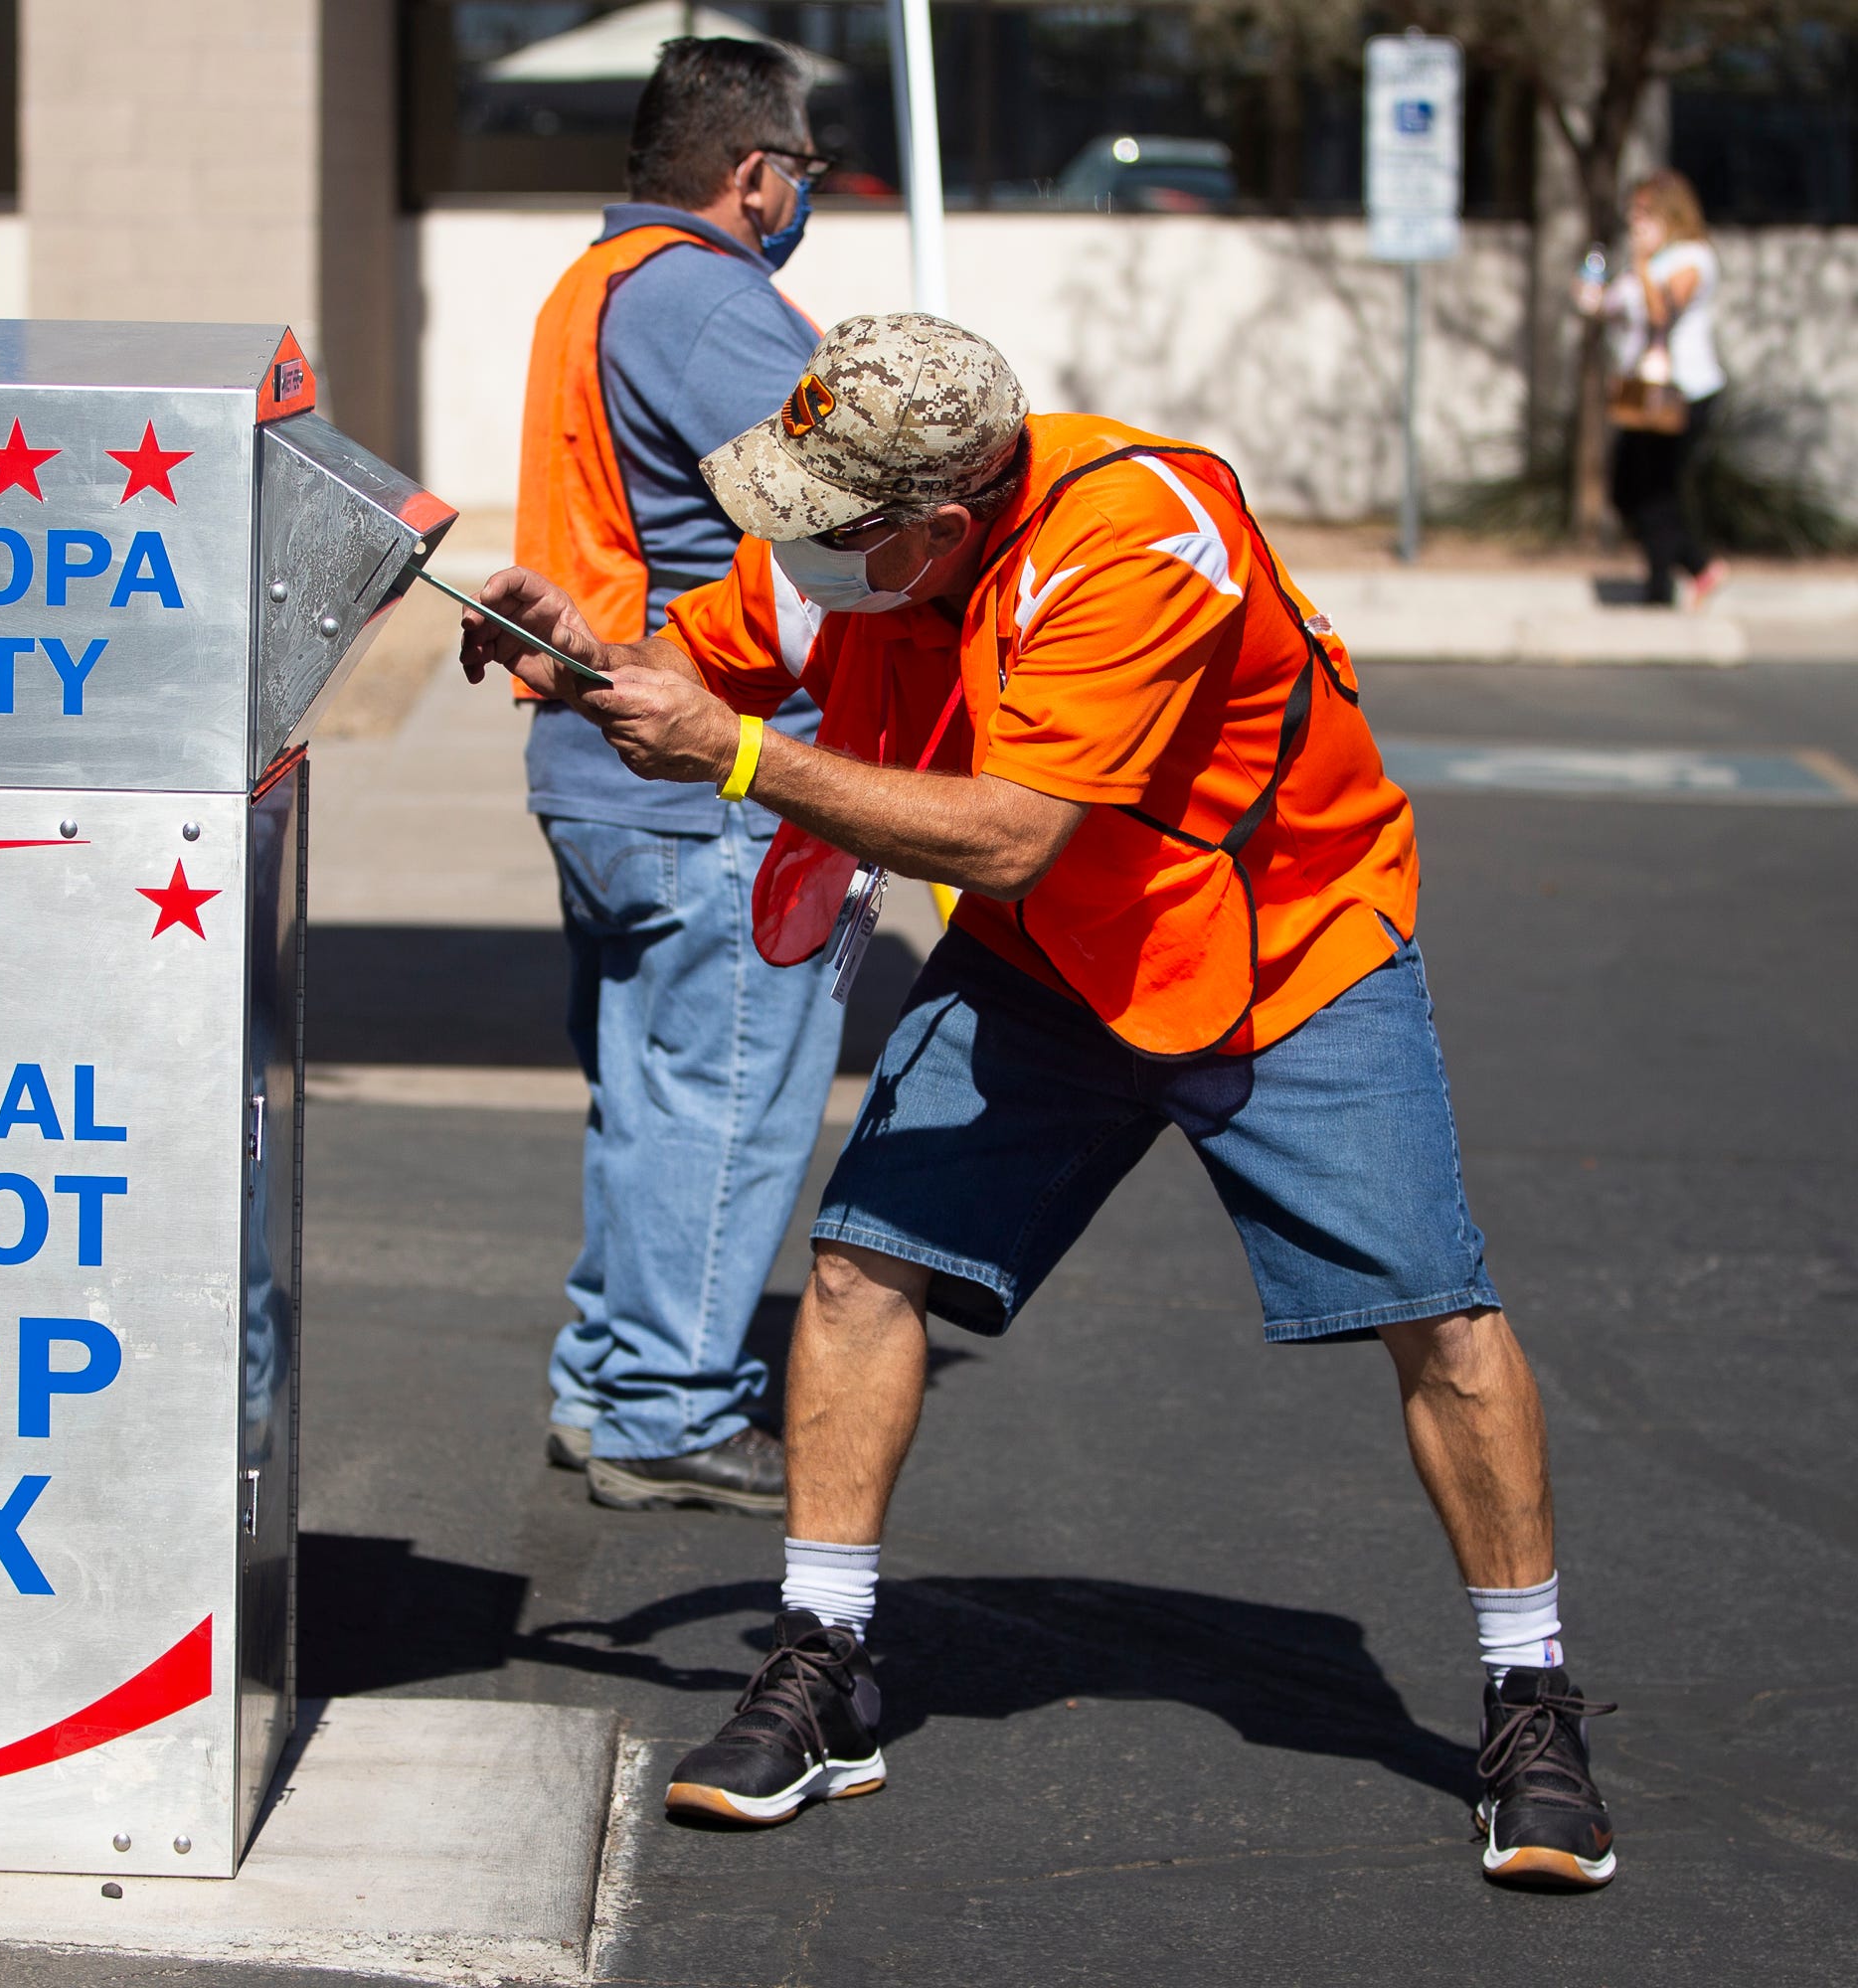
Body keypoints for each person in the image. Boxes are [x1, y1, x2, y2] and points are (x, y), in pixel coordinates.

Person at [459, 313, 1622, 1892]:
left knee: (1435, 1309)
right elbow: (699, 665)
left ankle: (1530, 1701)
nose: (791, 549)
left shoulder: (1135, 536)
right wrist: (582, 653)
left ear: (941, 528)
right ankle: (824, 1667)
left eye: (827, 525)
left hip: (1280, 947)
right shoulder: (848, 549)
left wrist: (736, 760)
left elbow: (1008, 837)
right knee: (862, 1267)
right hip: (1050, 960)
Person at [514, 38, 844, 1518]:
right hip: (710, 764)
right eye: (805, 171)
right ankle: (667, 1408)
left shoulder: (597, 282)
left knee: (648, 1100)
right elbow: (848, 501)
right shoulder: (709, 301)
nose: (803, 196)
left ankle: (610, 1379)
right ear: (755, 174)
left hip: (603, 754)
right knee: (722, 1101)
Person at [1582, 169, 1730, 609]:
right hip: (1638, 387)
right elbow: (1617, 310)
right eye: (1634, 210)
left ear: (1671, 211)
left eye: (1645, 210)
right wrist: (1594, 300)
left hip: (1682, 390)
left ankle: (1662, 587)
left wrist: (1643, 263)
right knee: (1625, 489)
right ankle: (1695, 568)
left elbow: (1662, 312)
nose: (1635, 219)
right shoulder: (1646, 260)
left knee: (1657, 489)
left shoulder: (1692, 258)